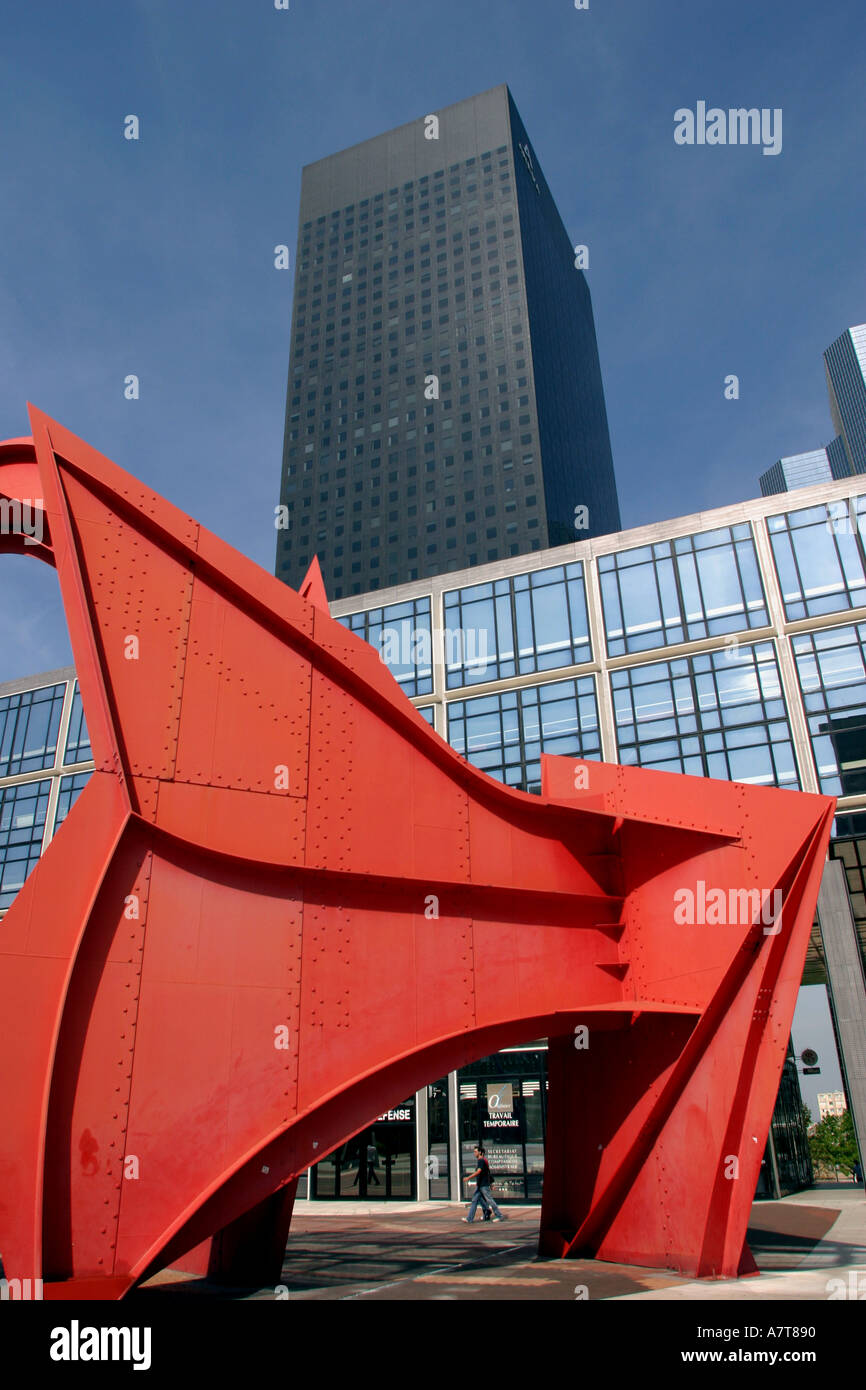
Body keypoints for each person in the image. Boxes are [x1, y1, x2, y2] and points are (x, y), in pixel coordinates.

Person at [462, 1145, 504, 1222]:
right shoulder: (484, 1161)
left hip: (483, 1186)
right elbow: (487, 1173)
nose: (474, 1153)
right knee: (475, 1200)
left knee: (489, 1200)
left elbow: (479, 1171)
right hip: (480, 1185)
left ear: (480, 1152)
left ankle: (499, 1215)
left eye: (475, 1152)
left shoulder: (481, 1161)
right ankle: (470, 1218)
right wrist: (491, 1183)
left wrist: (468, 1178)